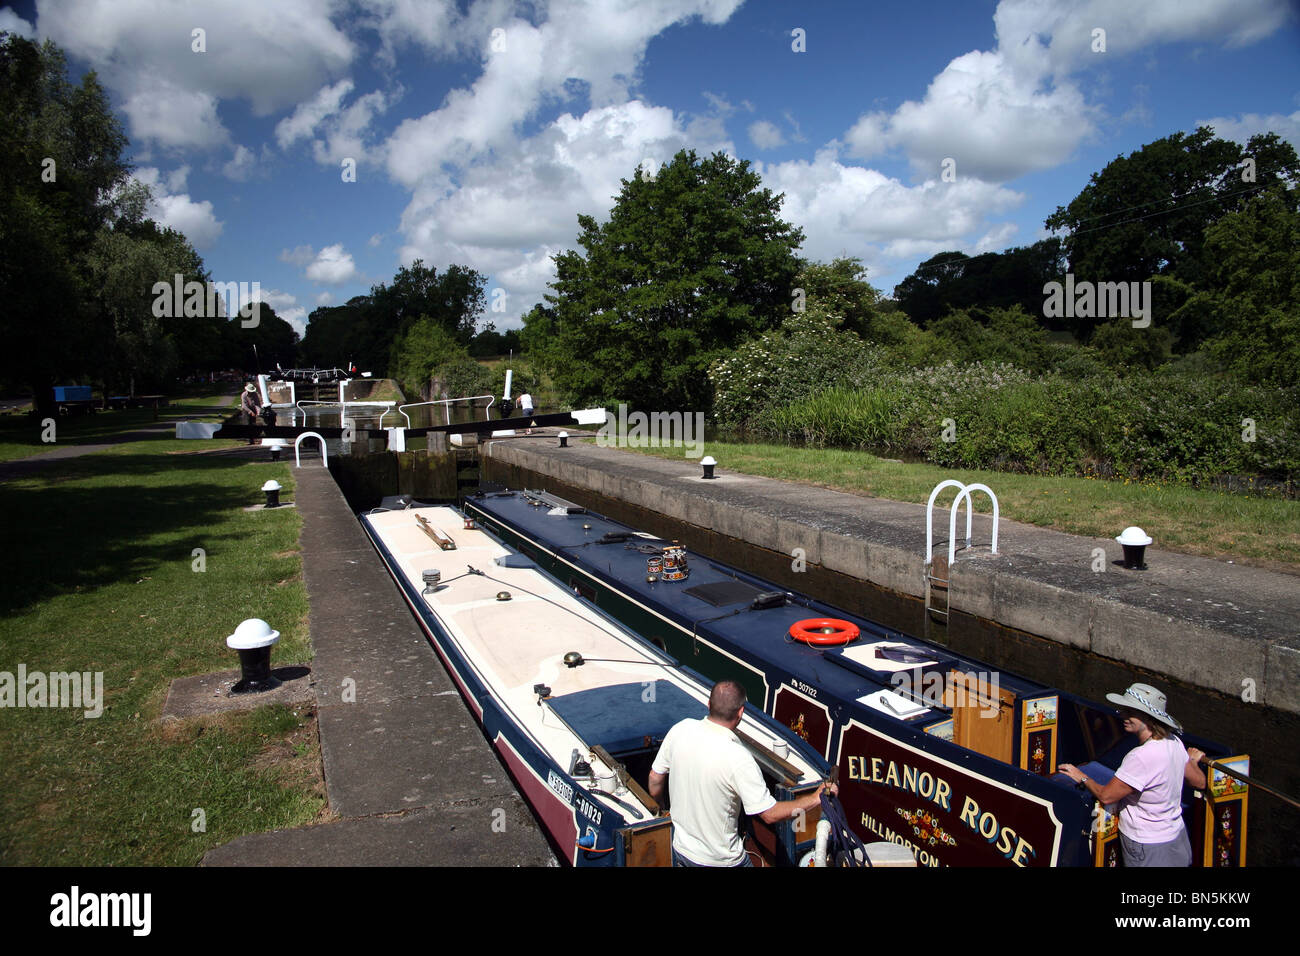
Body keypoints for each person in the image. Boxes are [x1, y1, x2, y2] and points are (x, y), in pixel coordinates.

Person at [648, 680, 835, 867]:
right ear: (740, 713)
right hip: (722, 861)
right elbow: (769, 814)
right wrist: (814, 798)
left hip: (682, 851)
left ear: (708, 705)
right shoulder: (739, 758)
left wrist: (663, 808)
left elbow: (655, 779)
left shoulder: (680, 730)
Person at [1058, 683, 1206, 867]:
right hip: (1176, 837)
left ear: (1149, 719)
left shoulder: (1141, 757)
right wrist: (1191, 760)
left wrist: (1081, 776)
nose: (1122, 715)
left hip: (1147, 844)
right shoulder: (1174, 742)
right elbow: (1199, 782)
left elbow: (1106, 795)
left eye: (1130, 711)